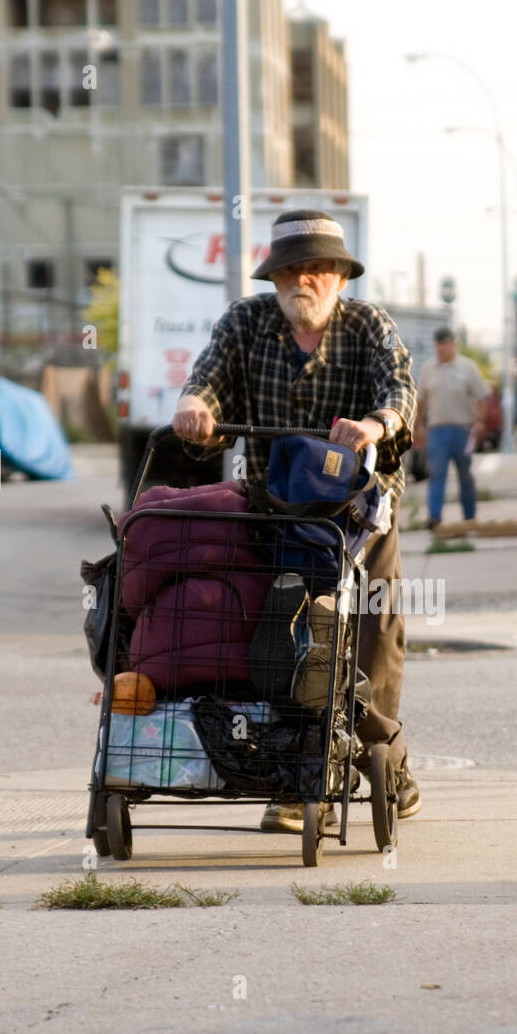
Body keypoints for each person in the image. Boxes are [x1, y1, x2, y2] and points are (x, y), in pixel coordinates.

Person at [171, 208, 421, 832]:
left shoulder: (369, 325)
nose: (302, 281)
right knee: (283, 638)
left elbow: (399, 391)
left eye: (315, 269)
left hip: (358, 510)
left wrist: (374, 426)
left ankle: (382, 757)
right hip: (277, 511)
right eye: (290, 270)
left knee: (373, 631)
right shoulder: (244, 322)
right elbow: (207, 380)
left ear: (338, 276)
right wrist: (195, 406)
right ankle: (298, 774)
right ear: (274, 278)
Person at [416, 328, 490, 532]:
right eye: (439, 344)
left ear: (453, 344)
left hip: (463, 430)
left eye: (446, 343)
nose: (442, 348)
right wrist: (418, 426)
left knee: (465, 474)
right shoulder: (428, 369)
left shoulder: (468, 367)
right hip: (437, 431)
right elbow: (421, 401)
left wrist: (480, 421)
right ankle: (434, 518)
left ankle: (469, 516)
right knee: (437, 474)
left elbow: (483, 396)